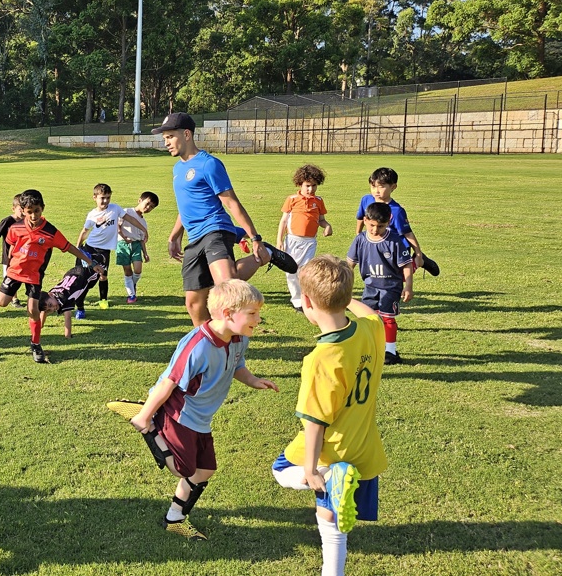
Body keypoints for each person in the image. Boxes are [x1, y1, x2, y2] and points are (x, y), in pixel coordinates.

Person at [106, 280, 278, 541]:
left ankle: (174, 519)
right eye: (252, 313)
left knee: (205, 470)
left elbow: (237, 364)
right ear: (228, 314)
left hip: (202, 418)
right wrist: (145, 415)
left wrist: (253, 380)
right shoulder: (198, 345)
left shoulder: (240, 338)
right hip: (179, 413)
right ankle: (146, 422)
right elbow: (170, 381)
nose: (259, 318)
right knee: (182, 470)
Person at [271, 255, 387, 576]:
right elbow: (372, 314)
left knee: (282, 472)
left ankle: (330, 480)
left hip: (332, 452)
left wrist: (309, 469)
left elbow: (315, 423)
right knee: (333, 515)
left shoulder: (321, 359)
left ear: (306, 302)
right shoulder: (371, 331)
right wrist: (348, 302)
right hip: (362, 446)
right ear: (348, 298)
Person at [153, 112, 295, 325]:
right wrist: (174, 236)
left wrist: (254, 238)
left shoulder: (209, 164)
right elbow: (186, 206)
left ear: (186, 134)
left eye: (170, 137)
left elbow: (231, 202)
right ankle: (208, 343)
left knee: (226, 286)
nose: (166, 143)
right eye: (164, 138)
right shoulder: (177, 168)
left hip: (215, 229)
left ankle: (266, 253)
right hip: (195, 238)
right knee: (193, 303)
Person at [0, 191, 104, 364]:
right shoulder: (15, 228)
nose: (33, 215)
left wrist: (90, 263)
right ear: (22, 210)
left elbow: (69, 247)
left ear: (42, 208)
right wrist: (10, 263)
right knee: (1, 302)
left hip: (34, 276)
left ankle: (36, 343)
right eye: (29, 211)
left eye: (36, 211)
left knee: (33, 310)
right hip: (14, 272)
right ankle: (33, 299)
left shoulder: (50, 232)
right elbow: (10, 243)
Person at [346, 202, 414, 365]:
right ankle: (371, 347)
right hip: (370, 287)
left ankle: (390, 351)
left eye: (381, 226)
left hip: (390, 287)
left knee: (387, 318)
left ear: (389, 222)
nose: (375, 230)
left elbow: (406, 265)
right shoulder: (360, 239)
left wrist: (408, 286)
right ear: (365, 220)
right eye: (371, 226)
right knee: (367, 317)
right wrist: (344, 283)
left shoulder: (395, 240)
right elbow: (349, 264)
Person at [73, 184, 146, 316]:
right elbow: (85, 231)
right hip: (90, 249)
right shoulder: (92, 215)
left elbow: (130, 218)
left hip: (104, 252)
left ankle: (103, 300)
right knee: (83, 280)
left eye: (108, 197)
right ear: (94, 197)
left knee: (103, 276)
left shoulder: (115, 208)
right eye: (102, 198)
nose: (105, 201)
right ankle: (80, 308)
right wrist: (79, 248)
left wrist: (143, 229)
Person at [354, 167, 439, 277]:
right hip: (377, 243)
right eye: (373, 186)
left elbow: (407, 233)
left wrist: (418, 253)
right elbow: (360, 217)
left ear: (393, 187)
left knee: (397, 275)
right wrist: (358, 234)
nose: (376, 191)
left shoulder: (397, 211)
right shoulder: (366, 200)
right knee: (378, 272)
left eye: (382, 186)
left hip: (396, 247)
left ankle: (421, 261)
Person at [277, 165, 332, 312]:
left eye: (314, 186)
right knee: (291, 271)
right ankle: (296, 301)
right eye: (307, 186)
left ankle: (306, 299)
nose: (311, 189)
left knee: (305, 271)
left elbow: (321, 220)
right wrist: (279, 240)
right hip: (293, 240)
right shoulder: (292, 199)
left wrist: (327, 226)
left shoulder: (318, 201)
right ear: (300, 184)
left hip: (309, 242)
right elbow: (283, 221)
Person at [41, 261, 104, 339]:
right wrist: (41, 325)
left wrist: (67, 336)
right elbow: (44, 309)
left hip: (84, 275)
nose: (53, 308)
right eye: (50, 309)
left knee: (100, 270)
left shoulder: (65, 299)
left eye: (50, 305)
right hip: (71, 273)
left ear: (50, 295)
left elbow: (68, 317)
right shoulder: (51, 294)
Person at [116, 191, 159, 303]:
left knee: (138, 270)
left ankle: (132, 284)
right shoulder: (127, 212)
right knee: (127, 270)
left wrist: (145, 253)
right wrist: (124, 237)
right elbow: (117, 227)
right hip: (123, 245)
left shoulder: (143, 222)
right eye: (148, 204)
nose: (148, 208)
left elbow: (142, 240)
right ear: (139, 200)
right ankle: (131, 295)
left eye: (152, 207)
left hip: (136, 245)